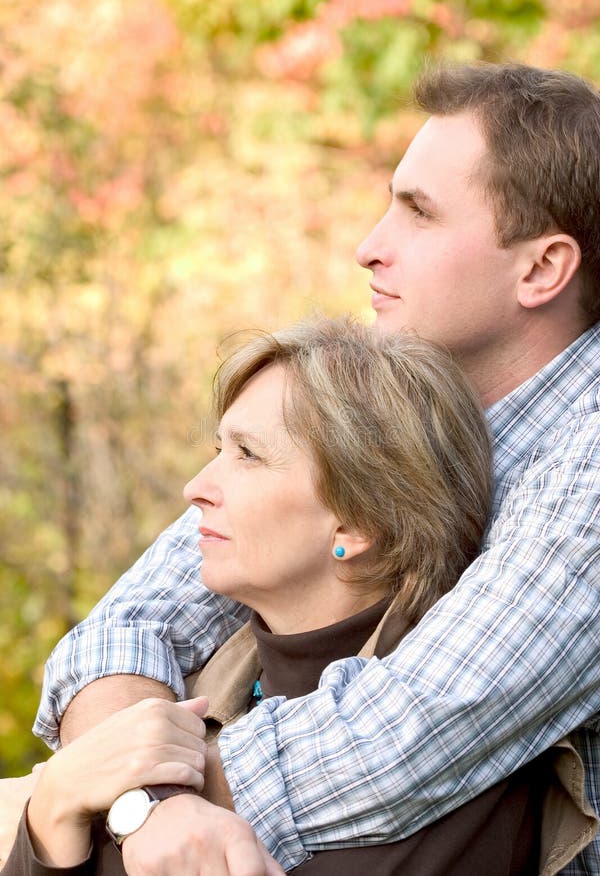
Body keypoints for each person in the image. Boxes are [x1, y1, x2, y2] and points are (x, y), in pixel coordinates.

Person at [26, 62, 600, 874]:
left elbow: (401, 735)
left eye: (419, 214)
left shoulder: (587, 462)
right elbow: (133, 625)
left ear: (541, 270)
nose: (369, 248)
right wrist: (141, 798)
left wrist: (104, 796)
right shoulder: (387, 407)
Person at [3, 317, 558, 875]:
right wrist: (52, 809)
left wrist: (65, 809)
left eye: (247, 454)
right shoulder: (175, 687)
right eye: (219, 448)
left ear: (359, 522)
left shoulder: (439, 778)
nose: (196, 488)